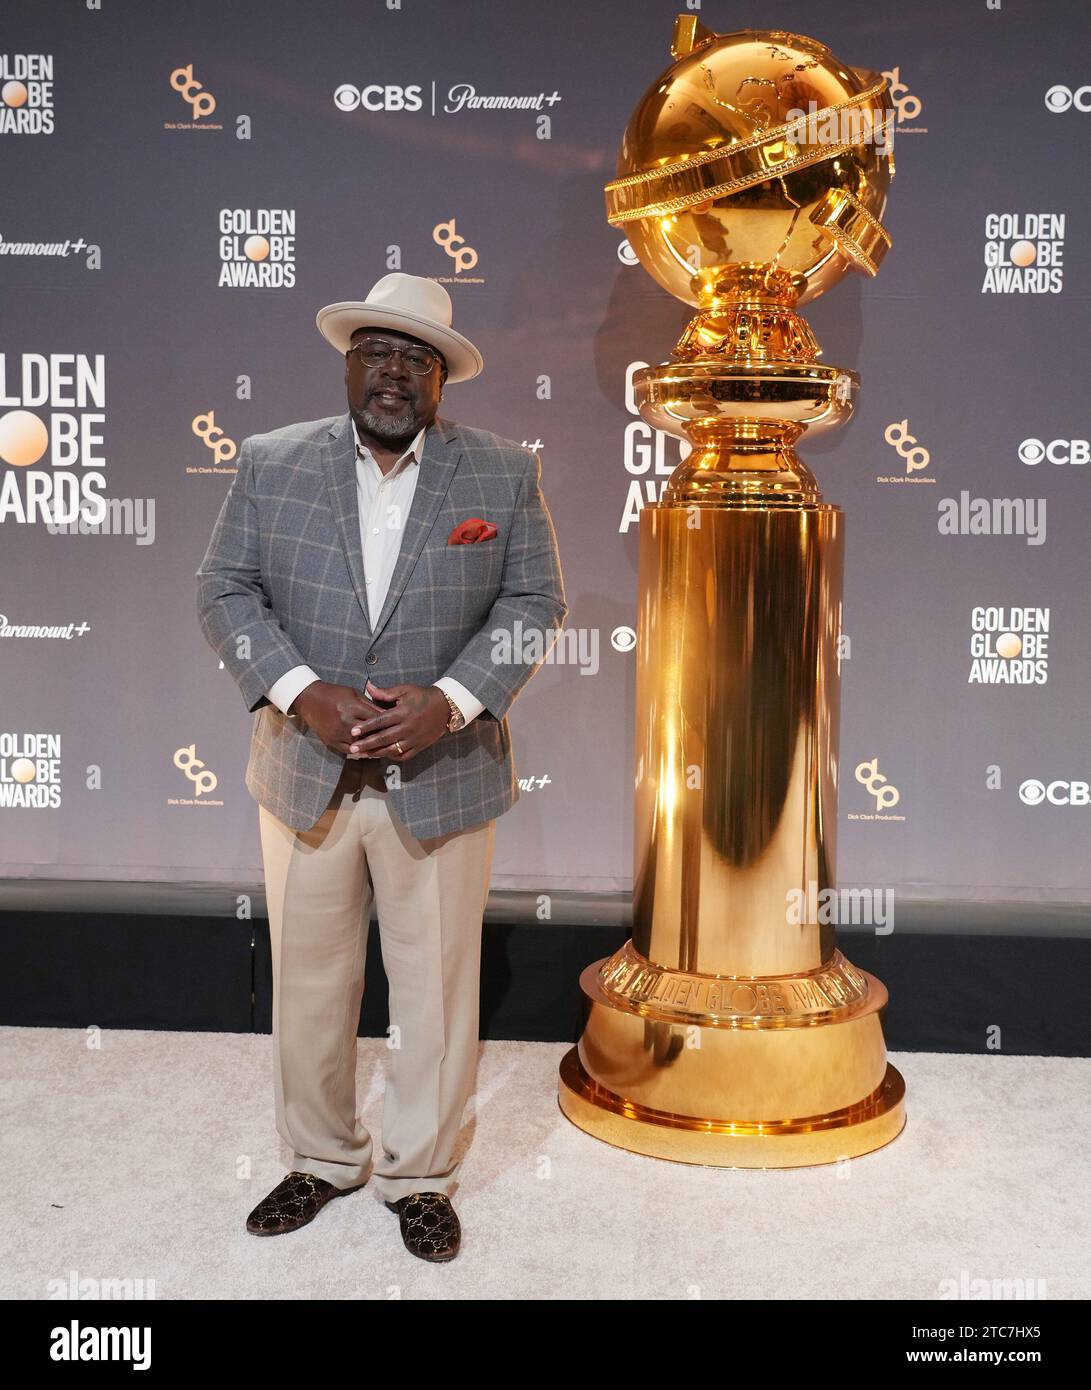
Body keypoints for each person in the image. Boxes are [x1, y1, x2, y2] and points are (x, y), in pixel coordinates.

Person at [196, 271, 567, 1261]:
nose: (393, 373)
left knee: (435, 992)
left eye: (416, 357)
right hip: (303, 774)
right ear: (347, 361)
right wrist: (299, 690)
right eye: (377, 352)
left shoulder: (498, 474)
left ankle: (419, 1173)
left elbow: (533, 602)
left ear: (441, 378)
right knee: (311, 984)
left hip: (442, 779)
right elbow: (224, 589)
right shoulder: (270, 463)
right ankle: (320, 1157)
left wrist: (448, 703)